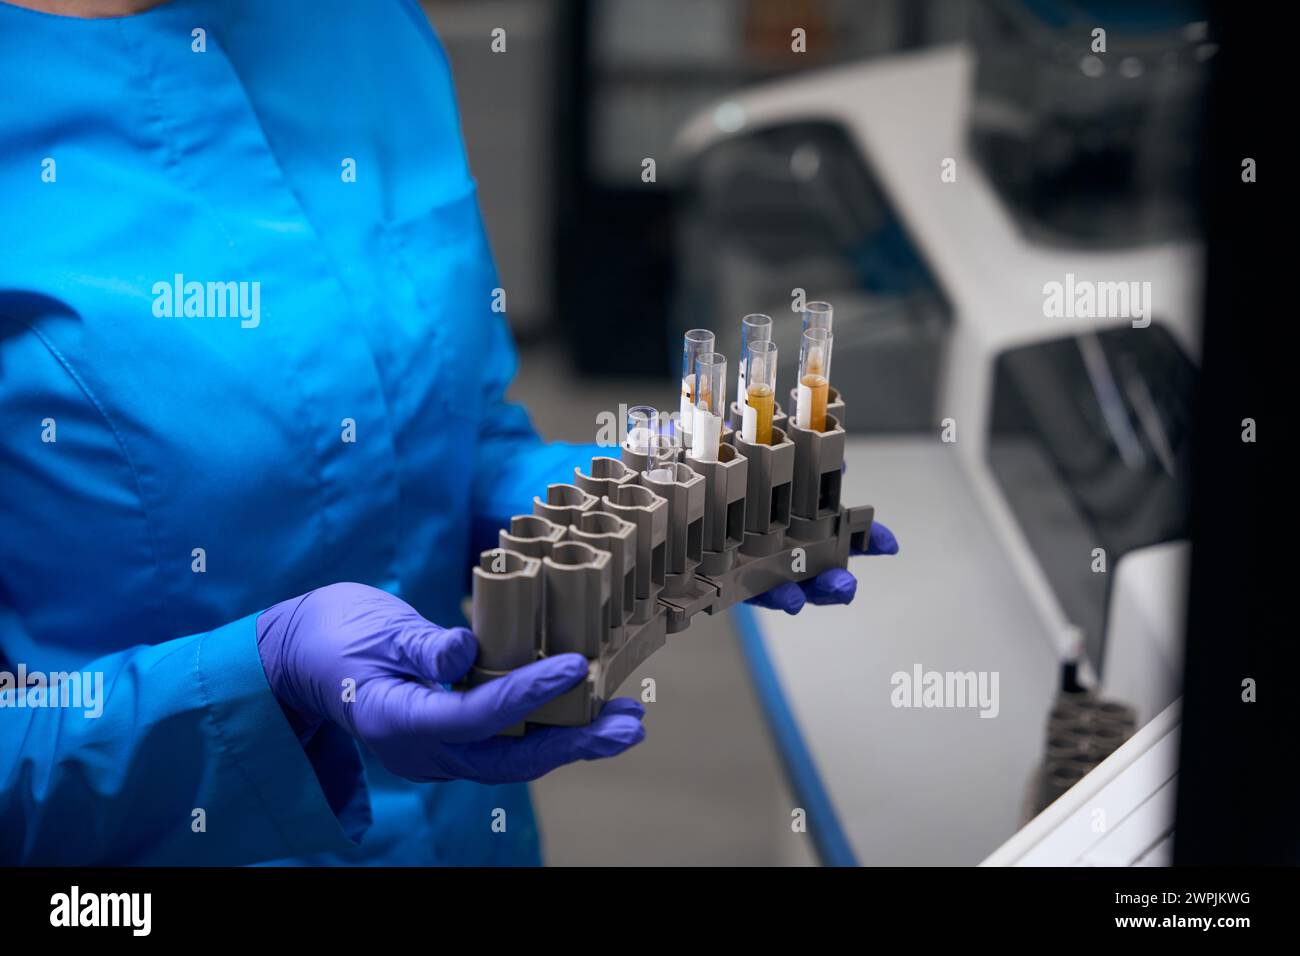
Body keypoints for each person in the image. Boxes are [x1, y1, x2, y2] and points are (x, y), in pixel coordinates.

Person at [0, 0, 898, 866]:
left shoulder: (364, 26)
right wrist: (257, 684)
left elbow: (445, 435)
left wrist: (617, 502)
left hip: (469, 827)